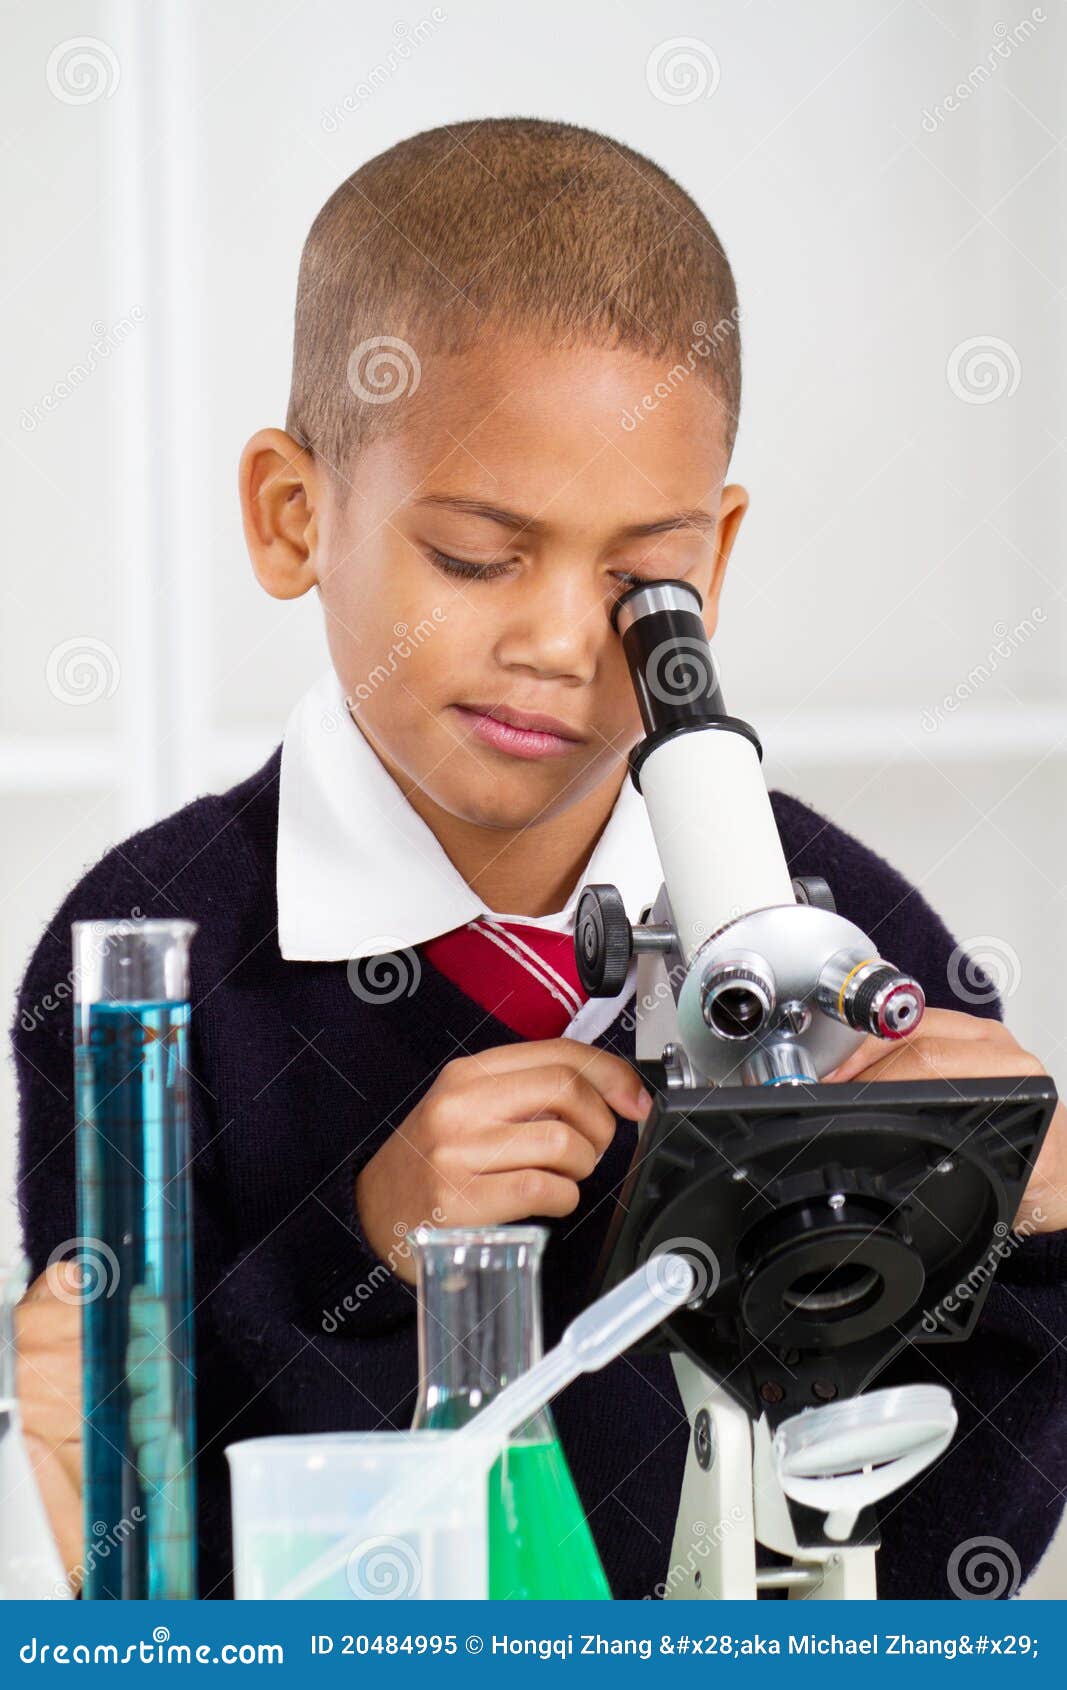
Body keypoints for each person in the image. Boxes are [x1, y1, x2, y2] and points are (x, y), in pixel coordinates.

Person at [12, 117, 1067, 1601]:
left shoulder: (841, 926)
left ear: (721, 554)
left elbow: (950, 1544)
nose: (564, 644)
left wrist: (1031, 1229)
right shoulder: (147, 950)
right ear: (292, 514)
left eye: (645, 579)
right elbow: (140, 1525)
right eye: (475, 556)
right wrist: (370, 1250)